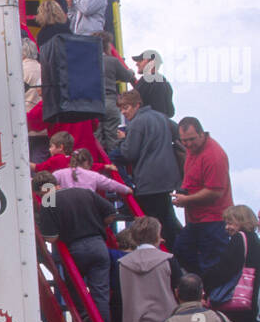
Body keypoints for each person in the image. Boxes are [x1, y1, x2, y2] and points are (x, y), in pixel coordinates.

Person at [34, 169, 116, 322]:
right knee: (101, 296)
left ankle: (85, 320)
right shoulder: (83, 192)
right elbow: (111, 214)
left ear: (42, 190)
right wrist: (97, 225)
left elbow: (52, 237)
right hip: (98, 246)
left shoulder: (48, 202)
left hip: (75, 251)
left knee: (74, 289)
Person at [116, 90, 182, 247]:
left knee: (151, 224)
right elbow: (177, 131)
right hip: (168, 178)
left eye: (126, 108)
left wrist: (122, 141)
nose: (124, 112)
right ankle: (176, 251)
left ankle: (162, 251)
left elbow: (129, 153)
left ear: (137, 105)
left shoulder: (136, 124)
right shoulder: (161, 117)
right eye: (122, 109)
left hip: (148, 181)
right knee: (166, 219)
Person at [202, 205, 260, 322]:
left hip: (237, 304)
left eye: (231, 223)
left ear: (241, 221)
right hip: (253, 303)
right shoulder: (258, 243)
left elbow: (225, 269)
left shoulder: (239, 239)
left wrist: (205, 284)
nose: (227, 228)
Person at [172, 118, 233, 275]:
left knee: (211, 263)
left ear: (201, 133)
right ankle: (201, 287)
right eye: (184, 140)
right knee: (181, 250)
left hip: (214, 219)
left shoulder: (213, 156)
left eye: (192, 139)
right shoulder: (192, 151)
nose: (188, 144)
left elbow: (215, 192)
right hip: (197, 219)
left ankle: (212, 294)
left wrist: (187, 200)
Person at [96, 32, 134, 154]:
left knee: (97, 142)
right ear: (107, 46)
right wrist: (131, 72)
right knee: (113, 142)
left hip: (93, 105)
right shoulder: (112, 61)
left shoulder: (87, 62)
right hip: (110, 103)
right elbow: (127, 76)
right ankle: (115, 169)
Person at [54, 148, 132, 197]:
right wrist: (127, 189)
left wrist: (49, 205)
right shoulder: (93, 176)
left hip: (64, 211)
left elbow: (46, 184)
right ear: (87, 162)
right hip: (86, 211)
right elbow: (110, 184)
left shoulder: (58, 174)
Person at [130, 49, 175, 119]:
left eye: (141, 60)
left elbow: (129, 99)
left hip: (148, 125)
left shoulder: (147, 80)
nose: (137, 64)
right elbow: (171, 112)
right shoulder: (164, 83)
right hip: (163, 125)